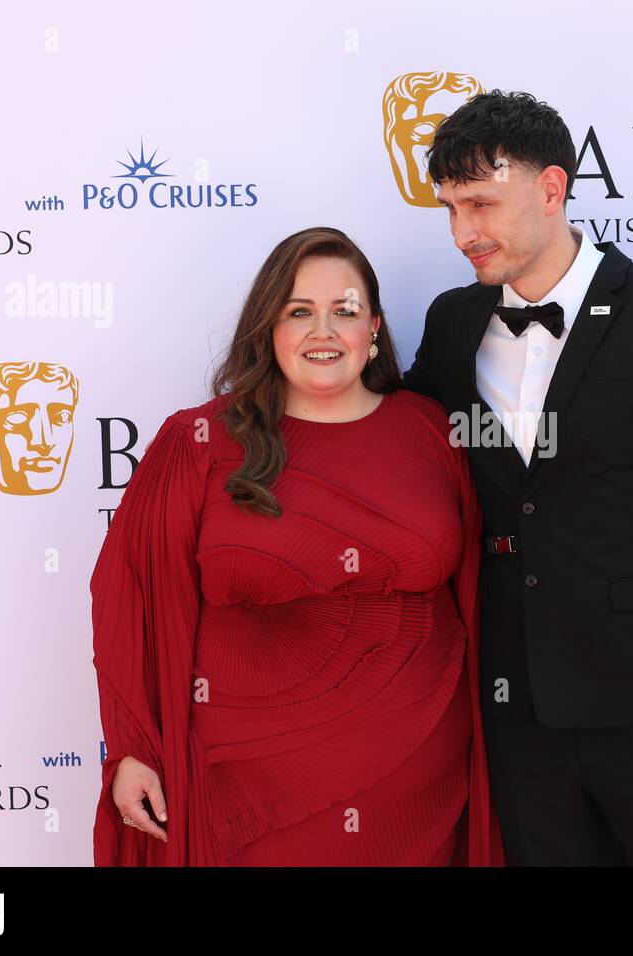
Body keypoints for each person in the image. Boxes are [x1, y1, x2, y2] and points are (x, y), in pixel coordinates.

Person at [403, 91, 633, 865]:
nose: (463, 232)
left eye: (481, 203)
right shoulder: (451, 321)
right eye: (450, 209)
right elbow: (396, 446)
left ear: (551, 188)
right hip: (516, 712)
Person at [90, 226, 504, 866]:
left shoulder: (434, 432)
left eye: (345, 312)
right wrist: (134, 747)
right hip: (246, 785)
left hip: (417, 786)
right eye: (299, 313)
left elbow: (484, 597)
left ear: (373, 330)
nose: (323, 332)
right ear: (268, 330)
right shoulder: (197, 442)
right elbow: (132, 602)